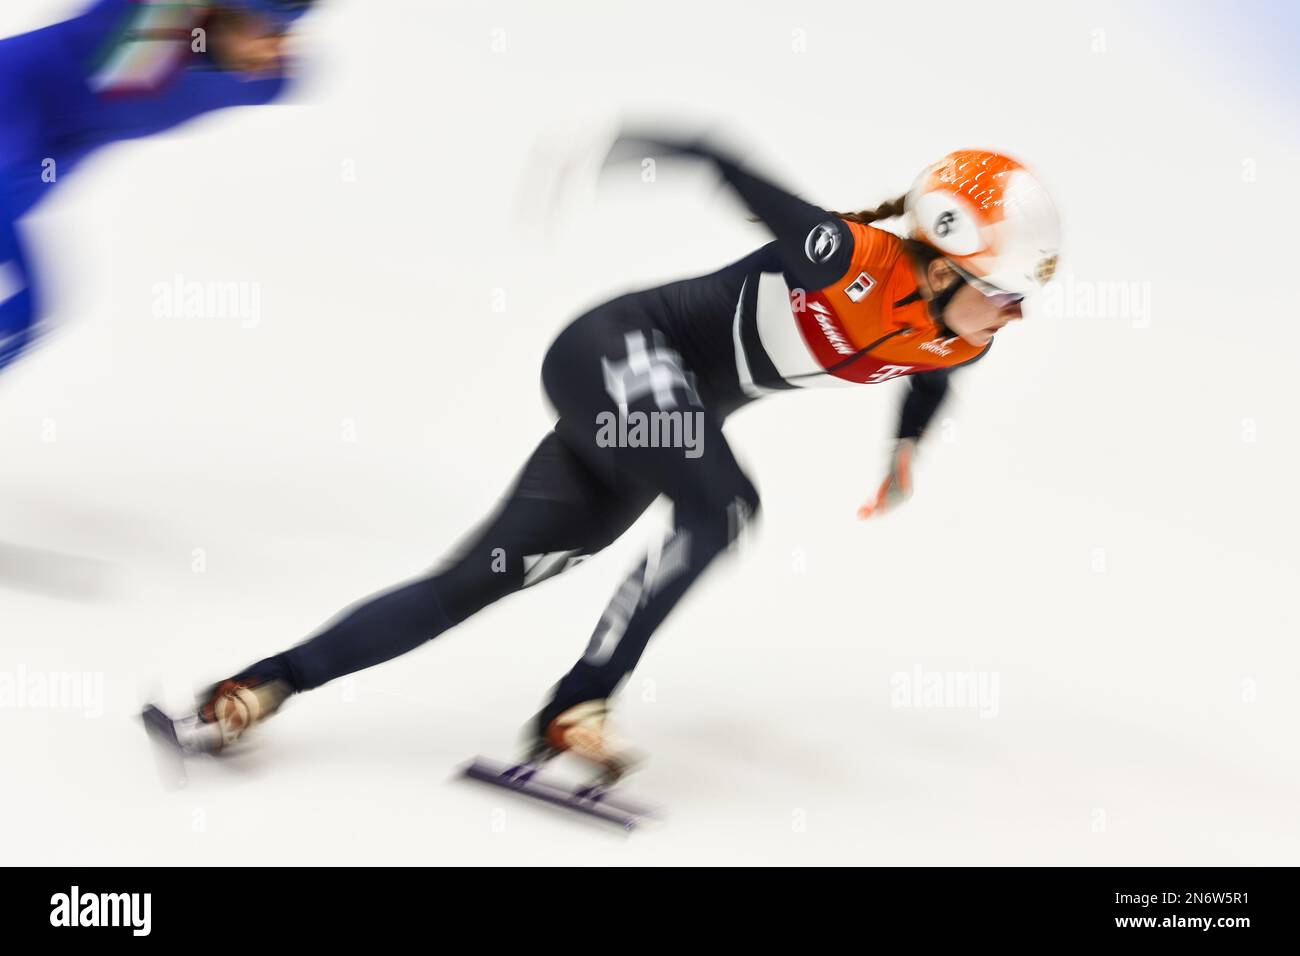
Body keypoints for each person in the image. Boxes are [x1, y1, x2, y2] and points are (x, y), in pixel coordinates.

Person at [151, 135, 1061, 779]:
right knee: (725, 509)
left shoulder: (964, 337)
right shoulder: (849, 256)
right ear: (940, 262)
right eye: (1003, 294)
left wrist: (905, 448)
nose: (1012, 316)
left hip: (654, 423)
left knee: (478, 578)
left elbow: (931, 371)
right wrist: (612, 152)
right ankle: (581, 700)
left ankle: (259, 685)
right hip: (613, 351)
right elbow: (721, 160)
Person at [0, 0, 315, 375]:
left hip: (47, 156)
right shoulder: (139, 23)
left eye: (288, 33)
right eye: (271, 29)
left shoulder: (261, 80)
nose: (277, 48)